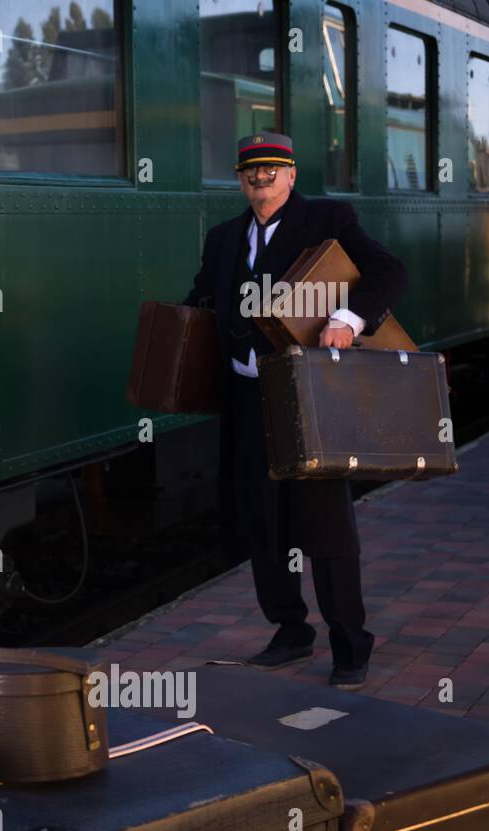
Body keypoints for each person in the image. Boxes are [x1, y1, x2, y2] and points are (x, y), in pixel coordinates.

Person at [182, 132, 408, 690]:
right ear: (239, 179)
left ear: (291, 175)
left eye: (272, 168)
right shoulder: (224, 238)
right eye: (250, 170)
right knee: (263, 521)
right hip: (248, 396)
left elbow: (388, 273)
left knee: (325, 523)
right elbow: (201, 302)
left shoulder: (328, 220)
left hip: (309, 401)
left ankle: (350, 645)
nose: (260, 177)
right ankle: (289, 632)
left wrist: (349, 321)